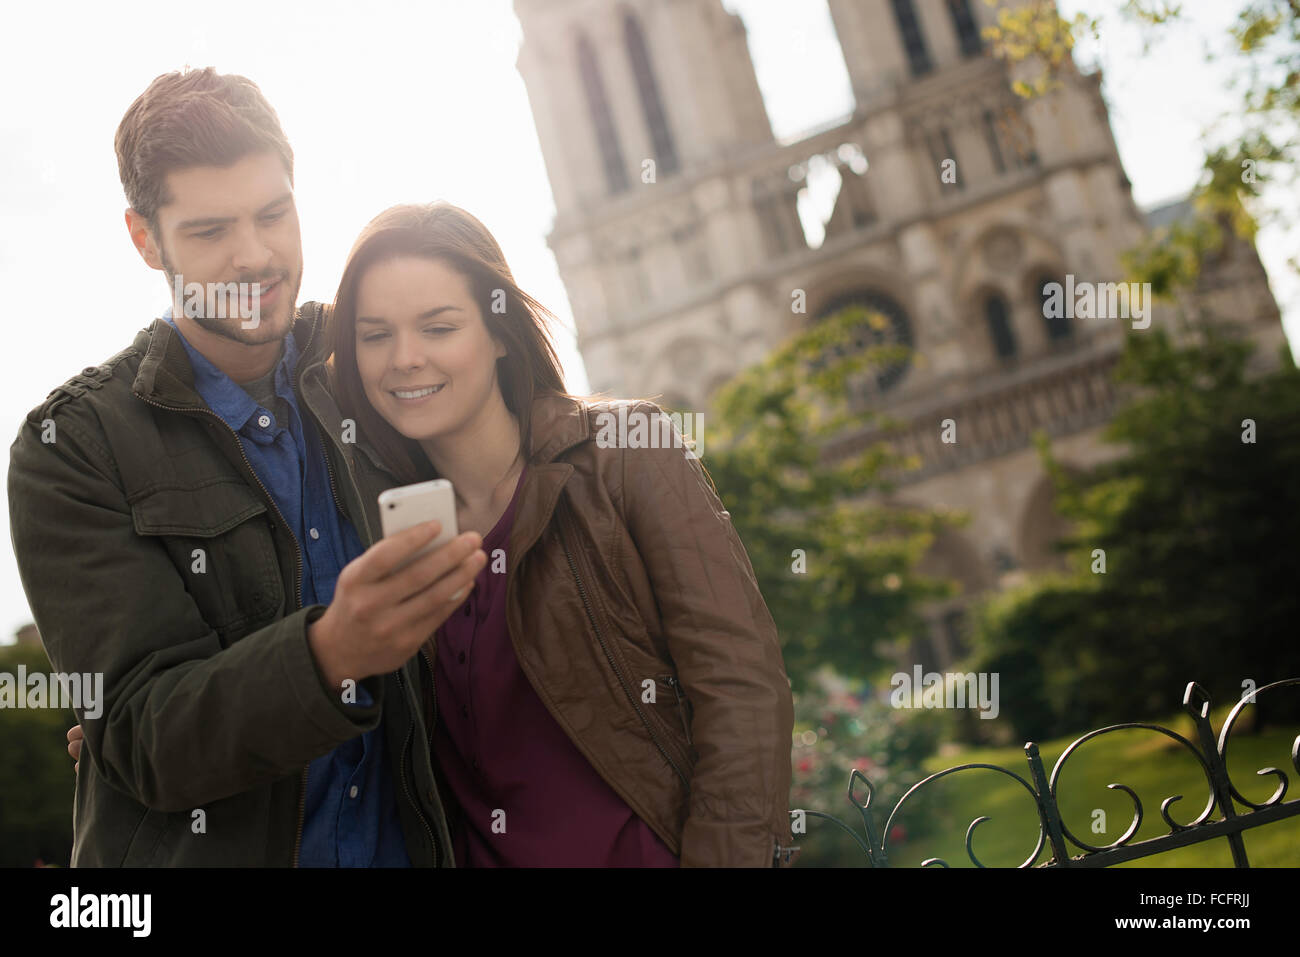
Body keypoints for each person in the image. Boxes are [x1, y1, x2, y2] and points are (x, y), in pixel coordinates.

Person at [10, 67, 481, 866]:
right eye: (210, 231)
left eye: (273, 214)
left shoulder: (372, 358)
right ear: (145, 239)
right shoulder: (71, 446)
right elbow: (143, 734)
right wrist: (330, 653)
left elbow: (525, 442)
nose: (254, 257)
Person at [313, 201, 796, 866]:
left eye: (438, 327)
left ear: (500, 333)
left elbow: (741, 685)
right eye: (374, 336)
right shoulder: (376, 529)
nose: (405, 359)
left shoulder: (626, 451)